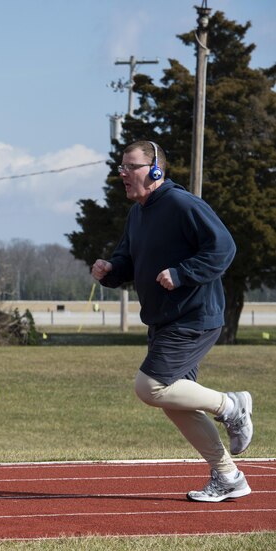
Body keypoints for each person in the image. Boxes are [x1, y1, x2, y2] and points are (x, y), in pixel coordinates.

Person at [91, 140, 253, 503]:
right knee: (174, 401)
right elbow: (127, 261)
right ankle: (228, 476)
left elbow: (223, 248)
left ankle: (232, 406)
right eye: (121, 167)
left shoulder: (182, 204)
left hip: (194, 316)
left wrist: (183, 273)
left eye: (130, 167)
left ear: (155, 170)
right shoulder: (138, 214)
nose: (122, 174)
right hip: (164, 320)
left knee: (150, 387)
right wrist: (110, 271)